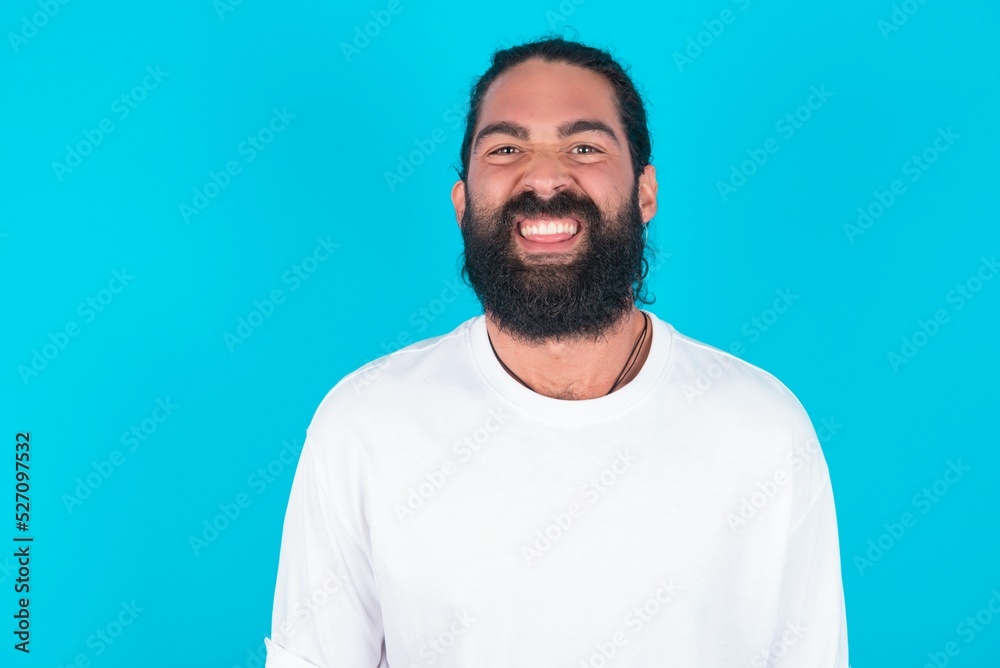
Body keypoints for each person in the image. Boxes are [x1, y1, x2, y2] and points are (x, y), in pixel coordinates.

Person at [264, 37, 849, 667]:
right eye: (507, 148)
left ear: (645, 193)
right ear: (463, 204)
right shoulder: (363, 424)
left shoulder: (762, 428)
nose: (544, 177)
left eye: (585, 147)